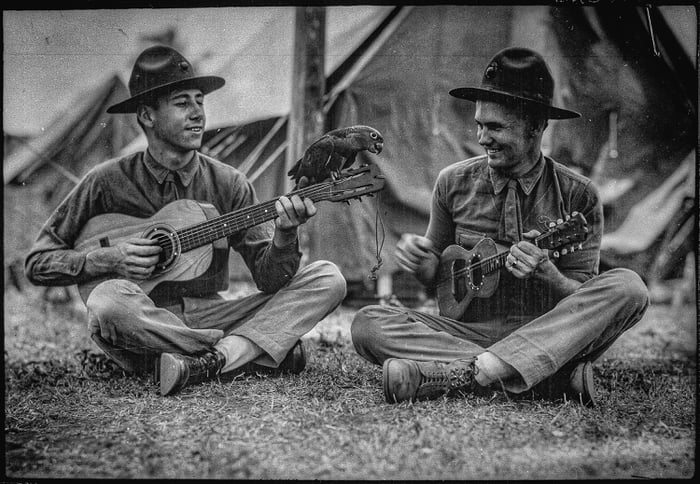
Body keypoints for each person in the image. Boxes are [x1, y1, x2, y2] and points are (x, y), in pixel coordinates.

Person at [25, 45, 347, 396]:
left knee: (328, 278)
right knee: (106, 303)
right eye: (182, 103)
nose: (198, 114)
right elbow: (37, 263)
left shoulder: (229, 183)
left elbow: (270, 280)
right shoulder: (105, 182)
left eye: (200, 101)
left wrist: (285, 233)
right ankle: (244, 351)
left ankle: (204, 360)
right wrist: (105, 259)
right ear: (147, 116)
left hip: (214, 314)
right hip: (143, 320)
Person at [351, 47, 649, 406]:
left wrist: (549, 275)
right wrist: (423, 263)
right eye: (479, 125)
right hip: (465, 333)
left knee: (629, 287)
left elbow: (582, 300)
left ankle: (469, 372)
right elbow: (441, 281)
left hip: (548, 331)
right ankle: (542, 378)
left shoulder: (578, 195)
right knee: (368, 323)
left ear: (536, 125)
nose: (481, 138)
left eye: (495, 127)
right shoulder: (452, 182)